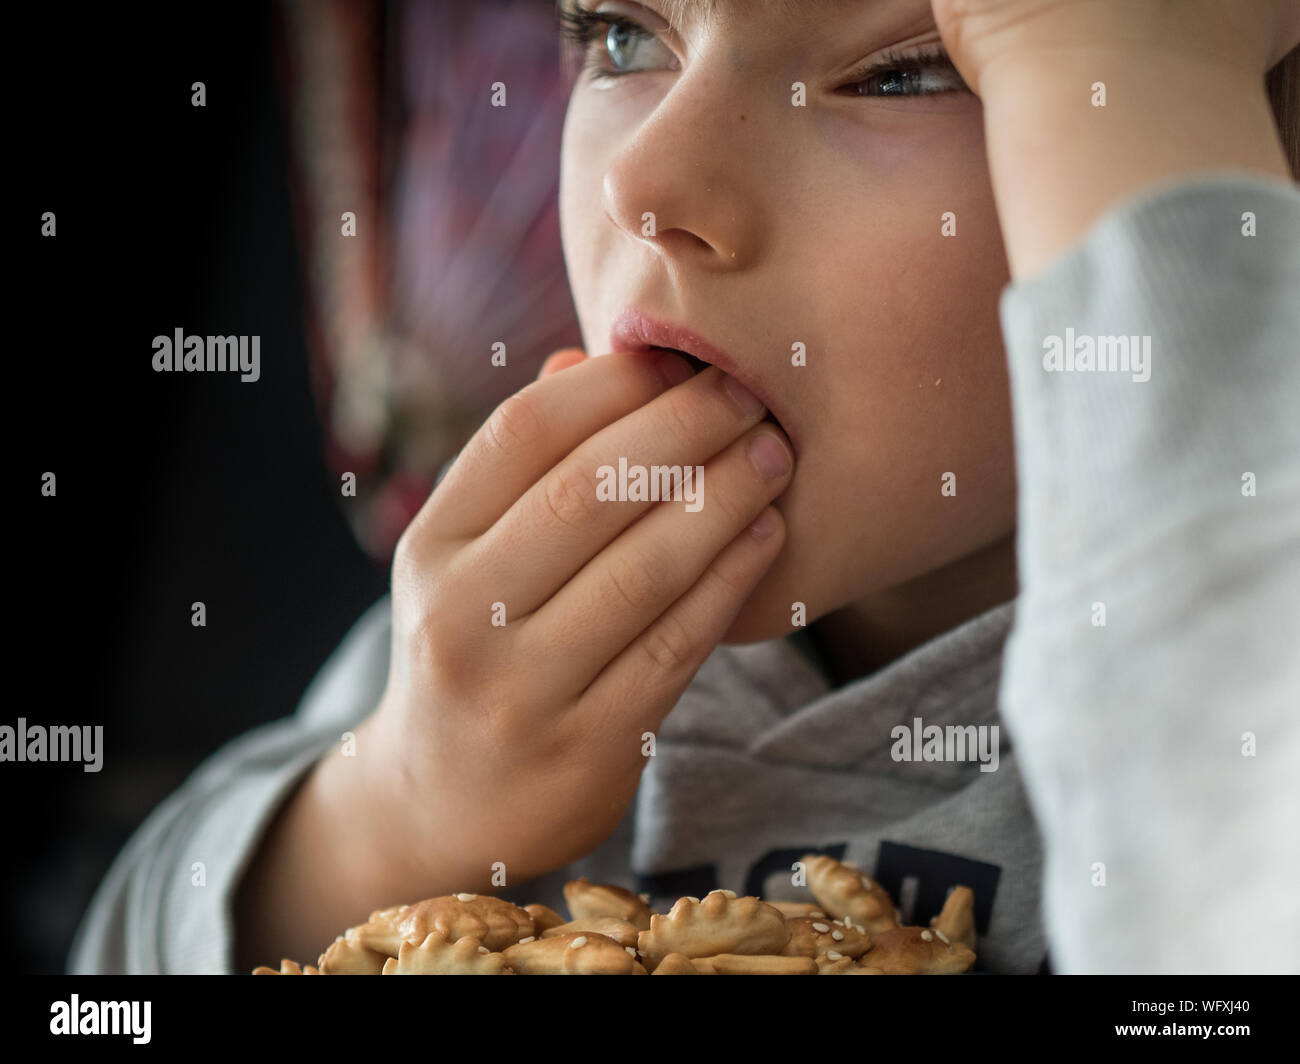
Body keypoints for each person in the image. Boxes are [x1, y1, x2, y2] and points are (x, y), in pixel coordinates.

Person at [70, 0, 1300, 975]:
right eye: (620, 34)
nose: (643, 183)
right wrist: (387, 814)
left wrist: (1145, 81)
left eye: (903, 72)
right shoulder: (524, 625)